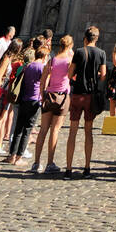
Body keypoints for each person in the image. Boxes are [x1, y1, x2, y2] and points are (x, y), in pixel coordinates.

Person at [65, 26, 107, 178]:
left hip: (77, 95)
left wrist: (76, 75)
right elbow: (103, 75)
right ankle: (87, 168)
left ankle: (68, 169)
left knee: (72, 132)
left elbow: (70, 73)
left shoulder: (79, 52)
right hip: (90, 96)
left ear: (85, 38)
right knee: (88, 132)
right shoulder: (101, 53)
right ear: (96, 38)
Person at [32, 33, 73, 175]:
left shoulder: (52, 60)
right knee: (55, 130)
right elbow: (73, 76)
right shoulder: (69, 61)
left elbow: (43, 79)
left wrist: (42, 95)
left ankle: (36, 162)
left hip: (49, 96)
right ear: (69, 46)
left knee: (43, 130)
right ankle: (50, 163)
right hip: (61, 97)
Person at [5, 43, 47, 165]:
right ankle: (19, 158)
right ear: (44, 56)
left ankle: (12, 155)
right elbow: (45, 84)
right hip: (35, 100)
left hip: (24, 99)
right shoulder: (41, 68)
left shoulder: (27, 66)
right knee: (27, 130)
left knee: (18, 128)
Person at [0, 39, 24, 156]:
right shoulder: (6, 58)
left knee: (2, 118)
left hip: (7, 90)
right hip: (3, 90)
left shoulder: (11, 58)